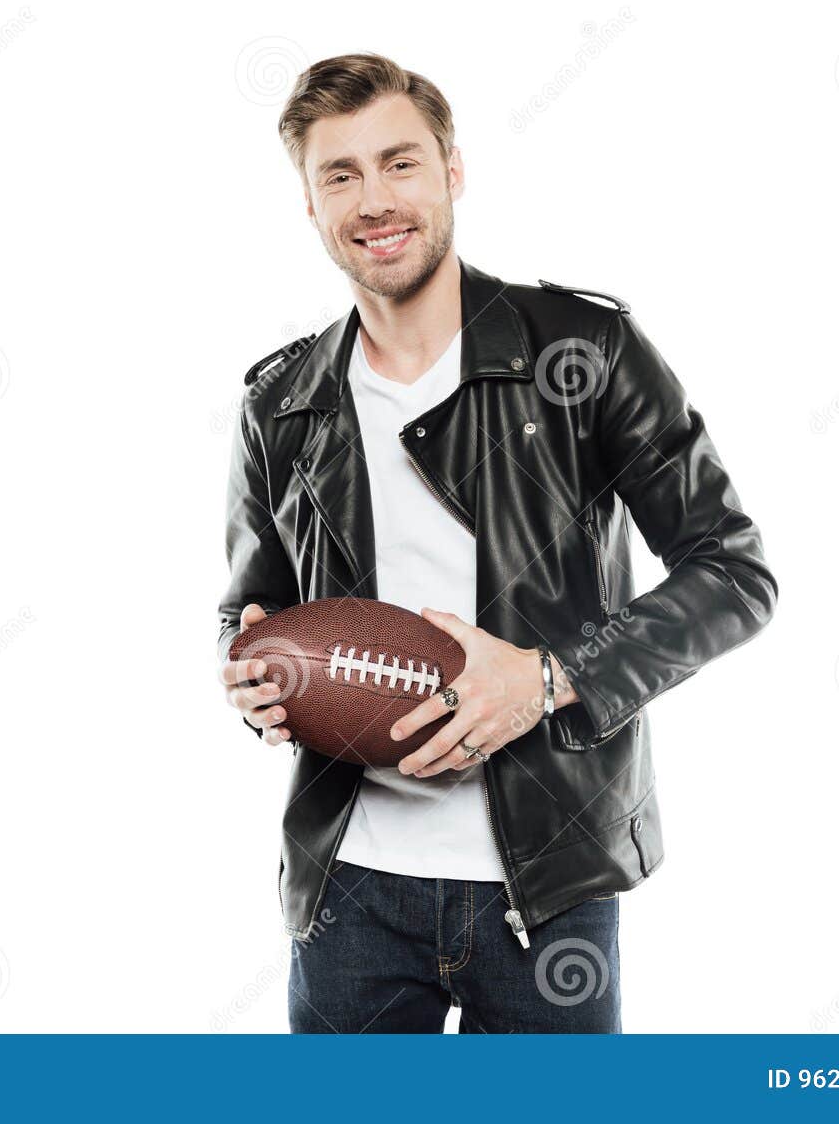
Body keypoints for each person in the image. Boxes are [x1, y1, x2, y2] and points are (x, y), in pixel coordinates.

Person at [216, 53, 778, 1033]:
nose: (374, 199)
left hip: (549, 882)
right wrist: (252, 668)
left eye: (399, 163)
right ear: (308, 205)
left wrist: (550, 674)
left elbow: (733, 569)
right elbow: (249, 607)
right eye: (337, 175)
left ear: (452, 171)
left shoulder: (581, 353)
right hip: (348, 890)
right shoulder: (280, 400)